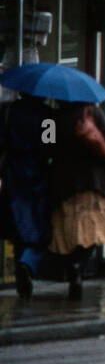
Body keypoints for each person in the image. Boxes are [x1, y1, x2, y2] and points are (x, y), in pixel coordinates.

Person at [48, 100, 105, 300]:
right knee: (95, 231)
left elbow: (47, 148)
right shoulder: (92, 113)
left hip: (64, 183)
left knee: (68, 233)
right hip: (93, 181)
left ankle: (73, 266)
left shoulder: (52, 118)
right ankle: (78, 265)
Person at [0, 92, 53, 299]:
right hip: (37, 173)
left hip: (13, 172)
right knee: (40, 223)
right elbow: (49, 147)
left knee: (17, 223)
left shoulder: (9, 111)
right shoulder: (48, 116)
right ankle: (27, 262)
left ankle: (21, 262)